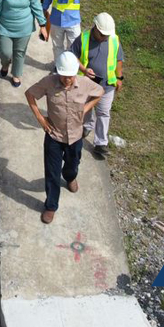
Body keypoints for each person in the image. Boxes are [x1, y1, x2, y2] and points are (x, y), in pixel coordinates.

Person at [24, 51, 103, 223]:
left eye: (70, 76)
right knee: (52, 172)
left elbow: (100, 92)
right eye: (64, 76)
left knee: (72, 164)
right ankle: (51, 206)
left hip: (75, 136)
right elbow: (30, 94)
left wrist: (86, 108)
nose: (67, 79)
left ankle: (70, 177)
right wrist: (40, 119)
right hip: (54, 136)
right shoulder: (48, 82)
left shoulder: (84, 83)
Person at [70, 13, 124, 158]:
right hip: (86, 84)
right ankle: (87, 126)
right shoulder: (83, 38)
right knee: (86, 108)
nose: (104, 38)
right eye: (102, 35)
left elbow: (119, 60)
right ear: (95, 28)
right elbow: (72, 56)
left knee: (103, 113)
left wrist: (119, 78)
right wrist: (83, 70)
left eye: (106, 35)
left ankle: (101, 143)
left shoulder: (114, 39)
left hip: (107, 86)